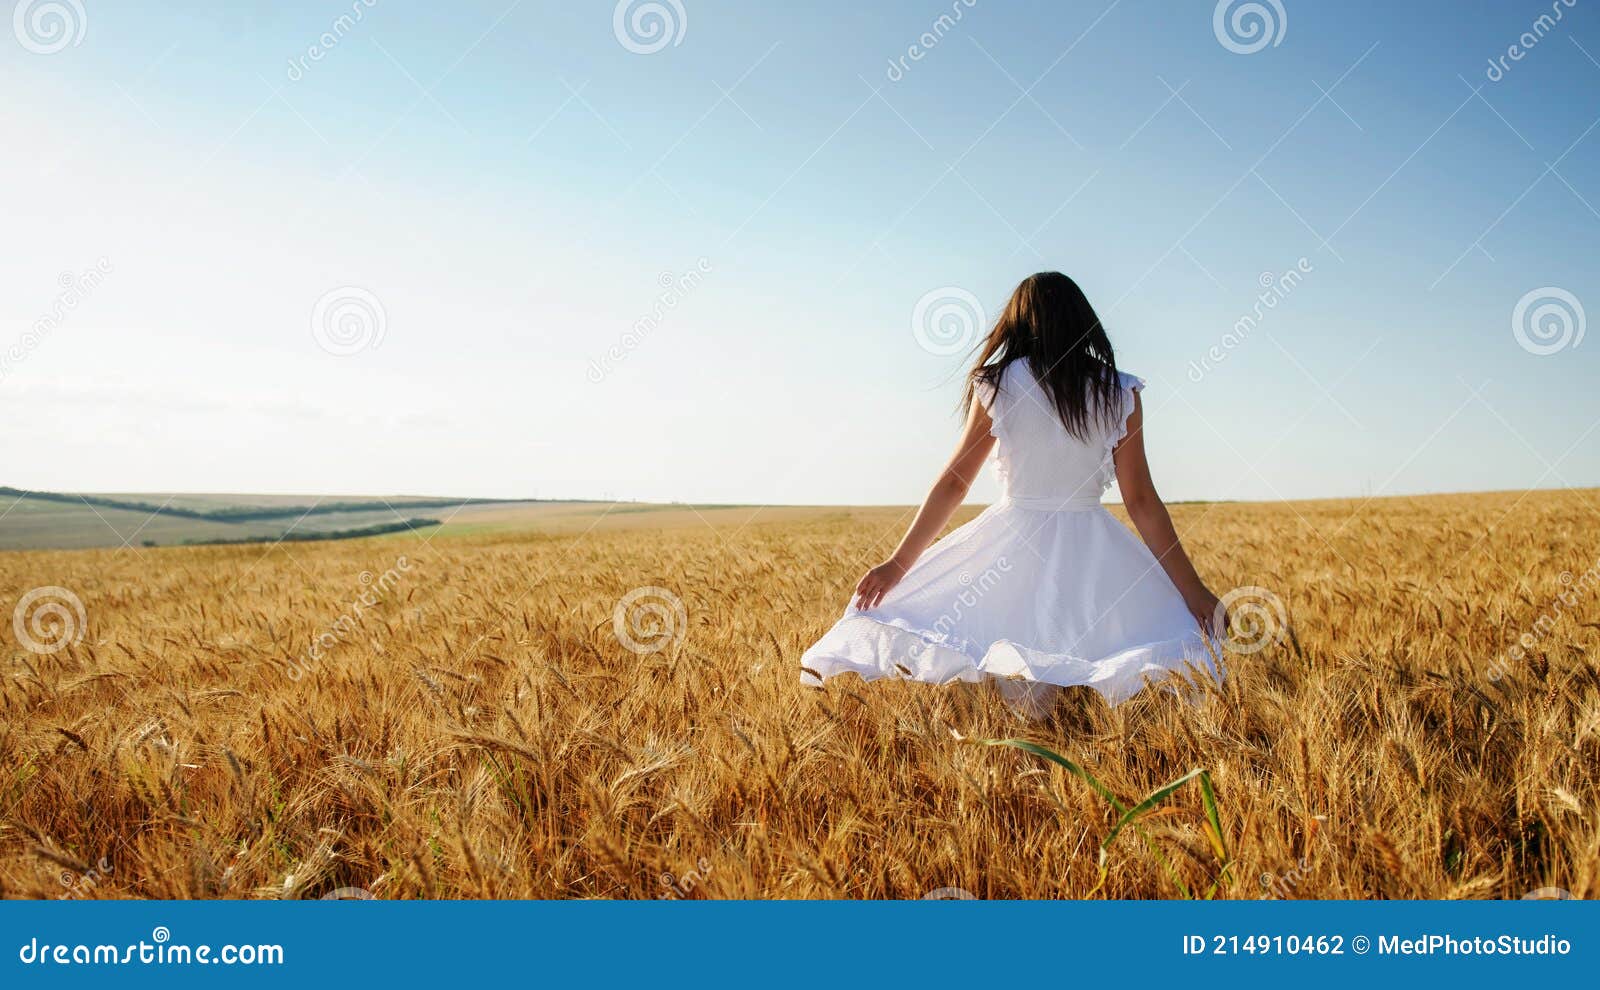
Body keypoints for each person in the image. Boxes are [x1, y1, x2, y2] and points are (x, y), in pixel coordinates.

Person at [800, 272, 1224, 717]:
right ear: (1085, 320)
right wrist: (1194, 592)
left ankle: (1030, 749)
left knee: (1010, 657)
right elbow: (1141, 501)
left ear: (1019, 323)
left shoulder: (998, 383)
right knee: (1093, 651)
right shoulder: (1119, 390)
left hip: (1008, 543)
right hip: (1093, 547)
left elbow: (955, 483)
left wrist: (900, 564)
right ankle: (1073, 749)